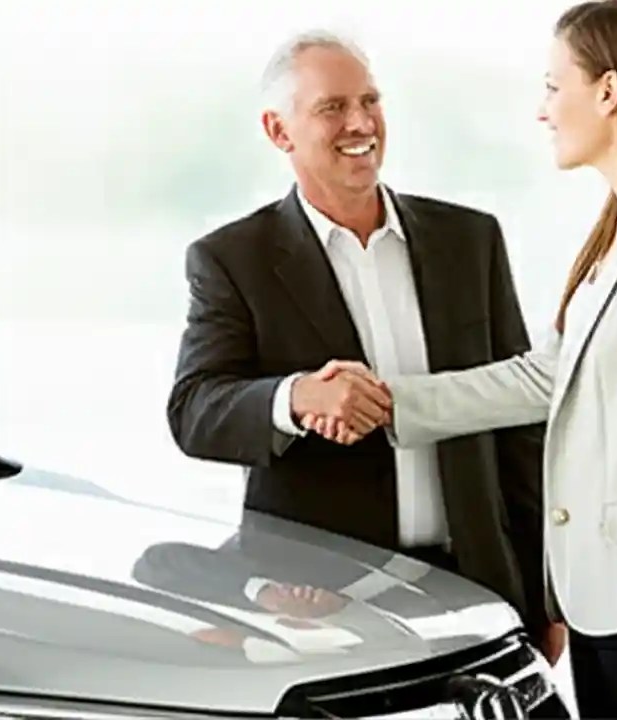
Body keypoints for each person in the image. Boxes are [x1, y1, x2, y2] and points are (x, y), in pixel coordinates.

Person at [305, 2, 617, 718]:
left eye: (554, 86)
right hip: (608, 599)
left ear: (609, 91)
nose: (543, 110)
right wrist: (390, 402)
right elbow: (544, 377)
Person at [164, 29, 567, 667]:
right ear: (278, 131)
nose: (360, 123)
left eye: (370, 101)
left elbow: (519, 425)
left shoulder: (470, 239)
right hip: (318, 603)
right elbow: (193, 410)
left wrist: (545, 596)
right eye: (333, 107)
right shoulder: (232, 259)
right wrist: (296, 399)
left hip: (478, 588)